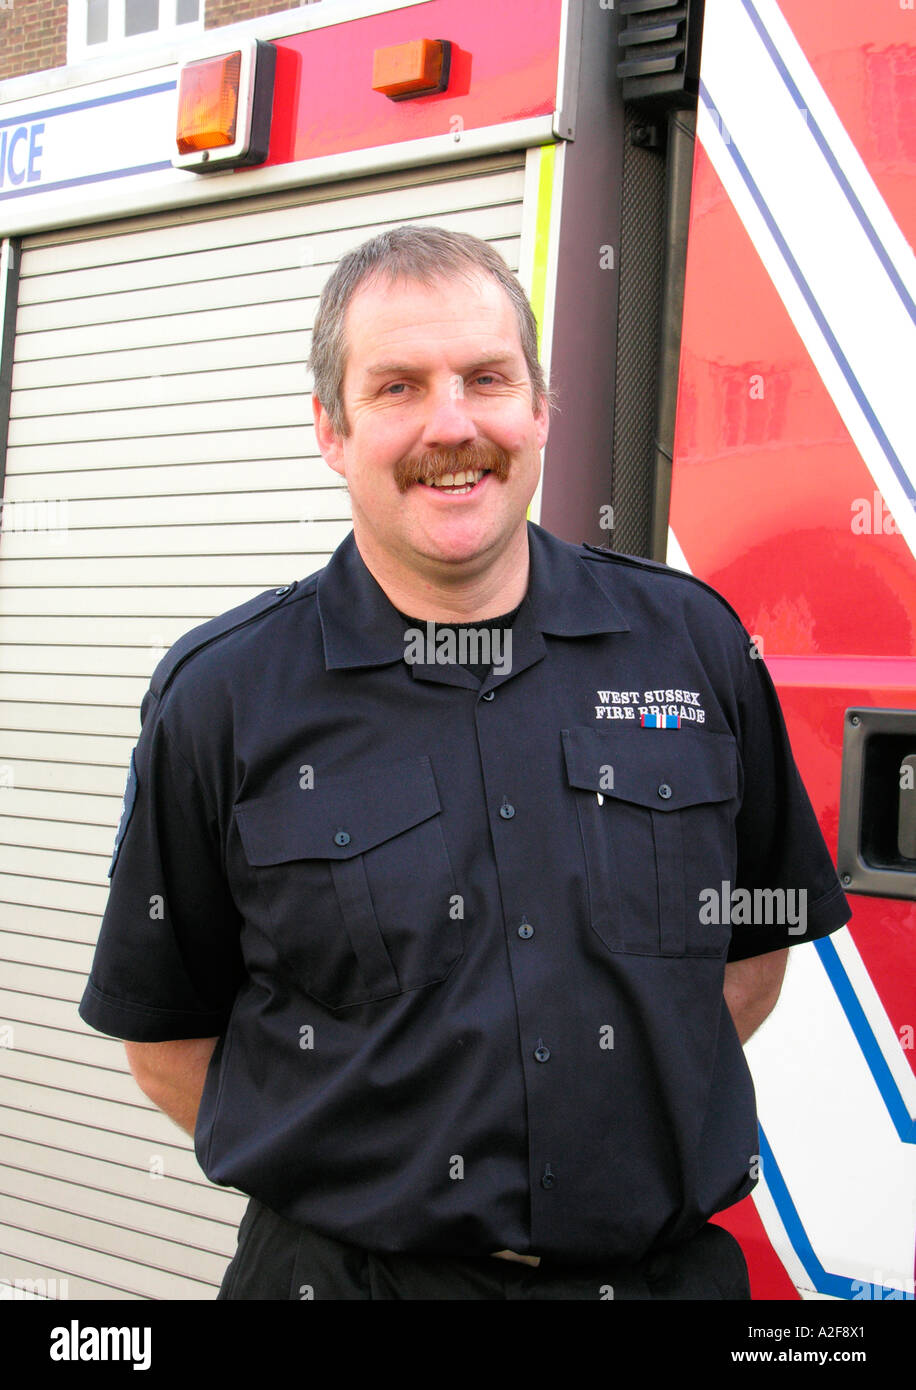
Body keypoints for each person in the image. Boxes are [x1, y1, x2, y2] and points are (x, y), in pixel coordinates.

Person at [79, 225, 851, 1300]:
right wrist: (379, 1183)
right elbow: (168, 1034)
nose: (453, 425)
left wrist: (606, 1130)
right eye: (397, 386)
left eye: (486, 378)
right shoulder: (222, 696)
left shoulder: (693, 644)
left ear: (538, 409)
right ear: (332, 431)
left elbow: (747, 953)